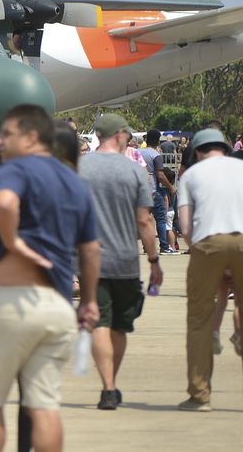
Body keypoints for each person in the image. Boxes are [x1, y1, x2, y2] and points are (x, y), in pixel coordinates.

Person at [0, 104, 101, 452]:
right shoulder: (75, 183)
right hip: (56, 307)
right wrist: (88, 301)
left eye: (8, 133)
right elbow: (90, 251)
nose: (1, 140)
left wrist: (13, 242)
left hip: (11, 302)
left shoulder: (17, 168)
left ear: (30, 137)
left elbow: (5, 203)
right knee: (44, 408)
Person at [75, 114, 162, 410]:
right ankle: (110, 384)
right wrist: (154, 260)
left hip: (89, 260)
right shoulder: (134, 170)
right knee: (120, 327)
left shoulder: (79, 168)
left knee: (100, 322)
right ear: (120, 135)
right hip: (125, 260)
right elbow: (144, 220)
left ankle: (108, 386)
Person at [175, 127, 243, 411]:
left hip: (207, 242)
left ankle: (200, 395)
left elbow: (186, 226)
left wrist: (202, 250)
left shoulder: (191, 174)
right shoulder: (241, 168)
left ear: (199, 152)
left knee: (200, 319)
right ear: (224, 149)